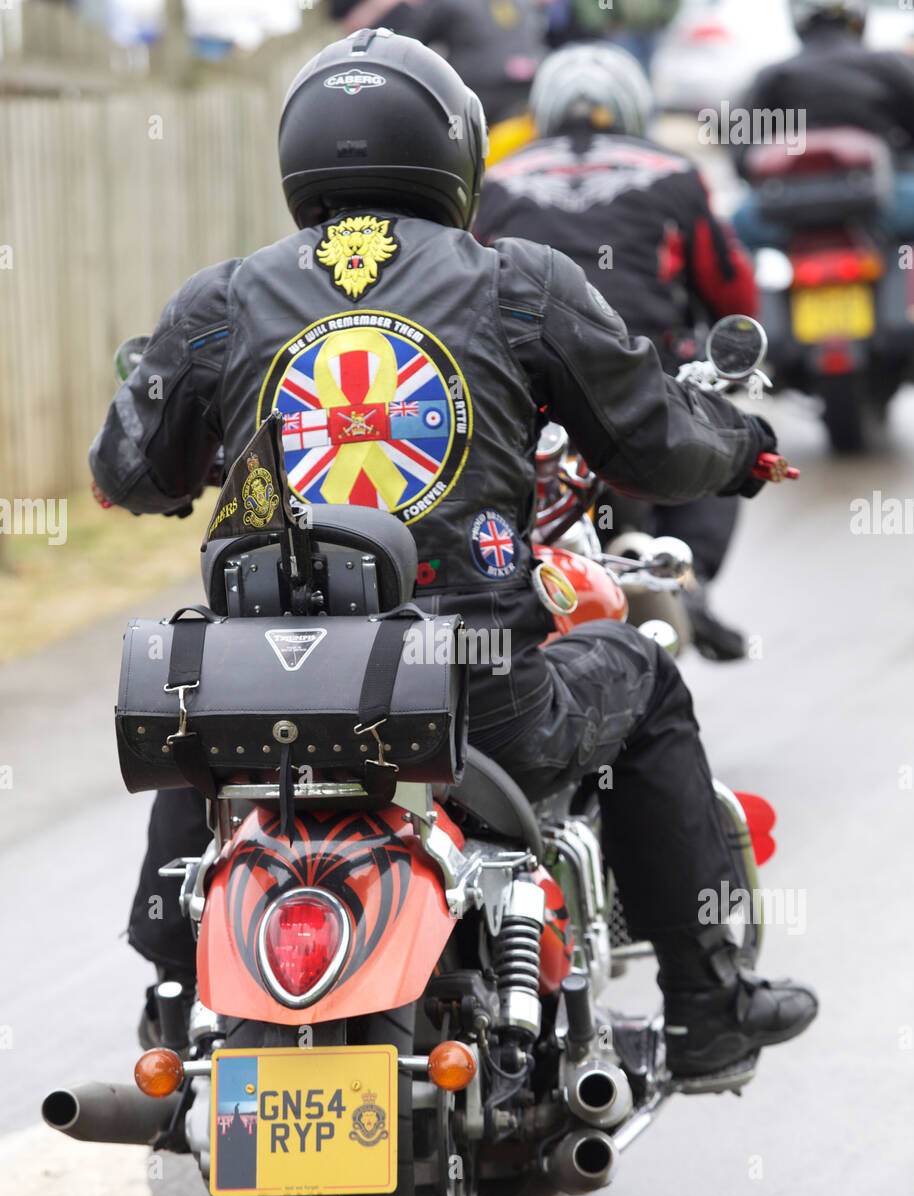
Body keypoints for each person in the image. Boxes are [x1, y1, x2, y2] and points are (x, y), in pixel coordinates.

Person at [89, 27, 816, 1080]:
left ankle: (166, 986)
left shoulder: (222, 299)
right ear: (453, 151)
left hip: (272, 691)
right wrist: (742, 447)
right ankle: (707, 1014)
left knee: (219, 733)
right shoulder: (516, 281)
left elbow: (132, 469)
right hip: (475, 690)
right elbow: (651, 439)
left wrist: (181, 462)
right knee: (648, 681)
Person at [474, 42, 759, 659]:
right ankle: (690, 581)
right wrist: (741, 349)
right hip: (643, 374)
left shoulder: (495, 179)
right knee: (721, 435)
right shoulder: (675, 173)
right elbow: (727, 283)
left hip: (527, 385)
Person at [732, 0, 914, 249]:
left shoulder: (772, 77)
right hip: (885, 206)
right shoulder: (890, 66)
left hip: (785, 212)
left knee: (733, 232)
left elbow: (741, 154)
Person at [331, 0, 547, 124]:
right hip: (535, 95)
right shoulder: (522, 3)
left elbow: (405, 45)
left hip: (485, 102)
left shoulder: (445, 4)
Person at [547, 0, 681, 71]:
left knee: (645, 83)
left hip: (651, 31)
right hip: (619, 33)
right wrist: (603, 22)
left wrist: (664, 18)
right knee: (621, 77)